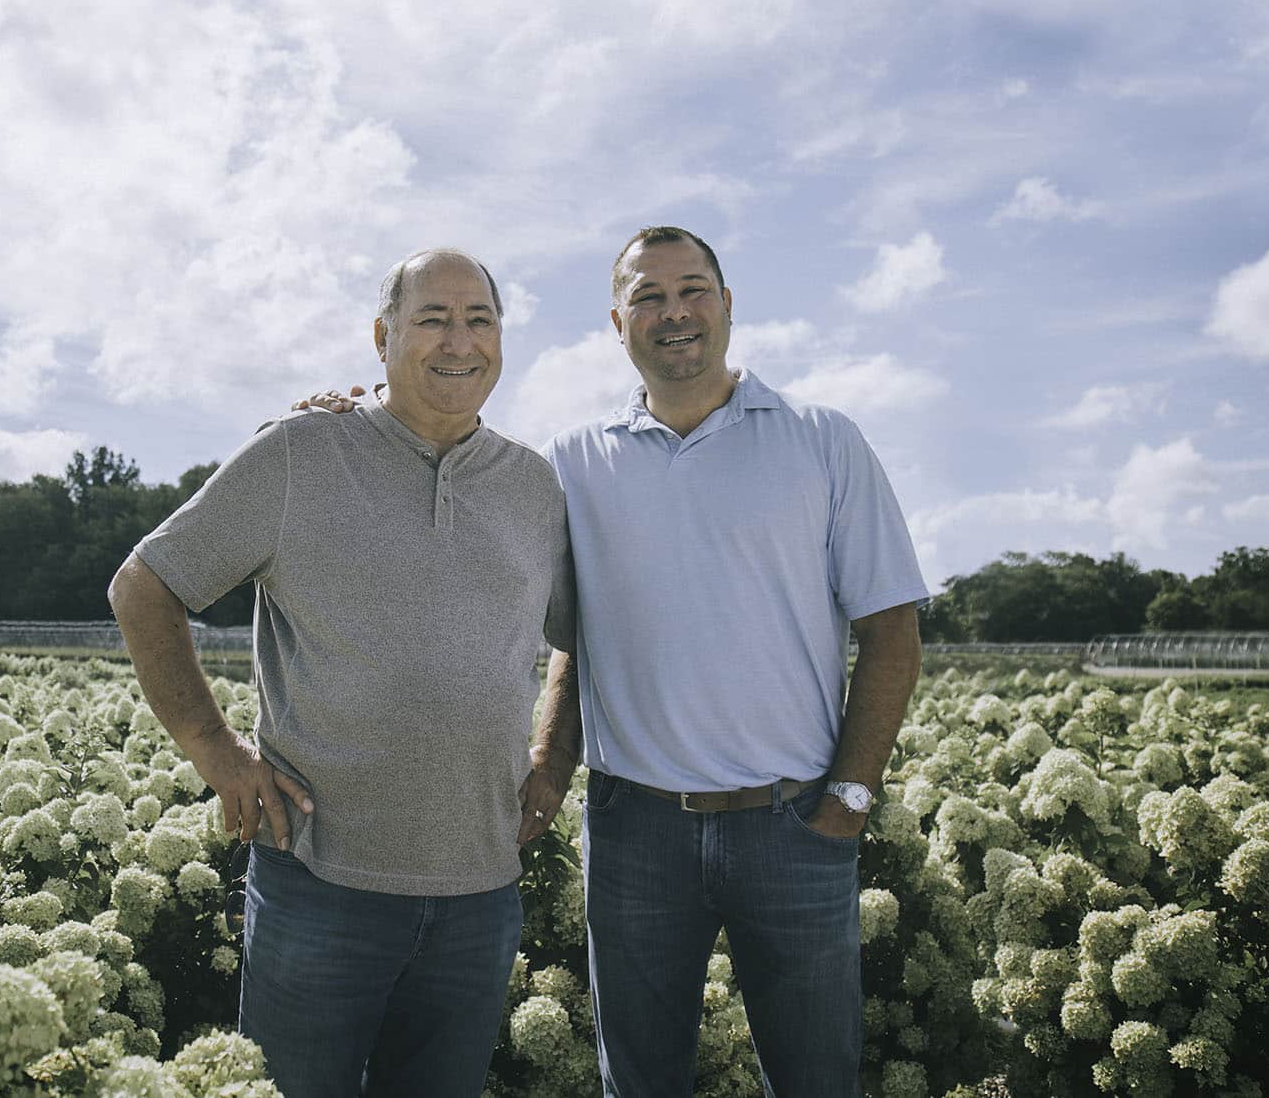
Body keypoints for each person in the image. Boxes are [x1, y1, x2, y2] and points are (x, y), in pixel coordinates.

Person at [303, 225, 926, 1097]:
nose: (674, 313)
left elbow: (893, 630)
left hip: (793, 826)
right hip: (637, 835)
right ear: (616, 321)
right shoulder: (572, 462)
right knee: (637, 1083)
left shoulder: (822, 440)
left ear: (727, 303)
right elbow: (570, 633)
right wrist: (353, 421)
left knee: (819, 1079)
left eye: (692, 290)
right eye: (648, 296)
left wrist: (849, 800)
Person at [108, 249, 577, 1098]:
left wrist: (551, 765)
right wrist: (216, 753)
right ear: (382, 335)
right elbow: (145, 585)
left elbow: (580, 639)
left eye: (480, 319)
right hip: (321, 889)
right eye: (432, 317)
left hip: (481, 895)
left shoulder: (535, 488)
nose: (458, 340)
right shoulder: (300, 454)